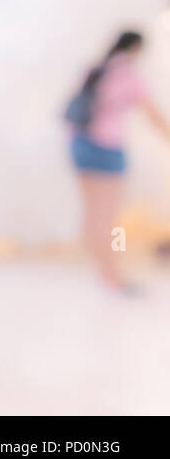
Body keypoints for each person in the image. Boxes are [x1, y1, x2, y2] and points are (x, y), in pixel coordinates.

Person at [67, 31, 170, 292]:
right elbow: (152, 114)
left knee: (92, 212)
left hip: (81, 145)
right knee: (108, 216)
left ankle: (103, 271)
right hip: (109, 149)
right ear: (136, 49)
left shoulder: (95, 69)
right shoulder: (130, 75)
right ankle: (113, 275)